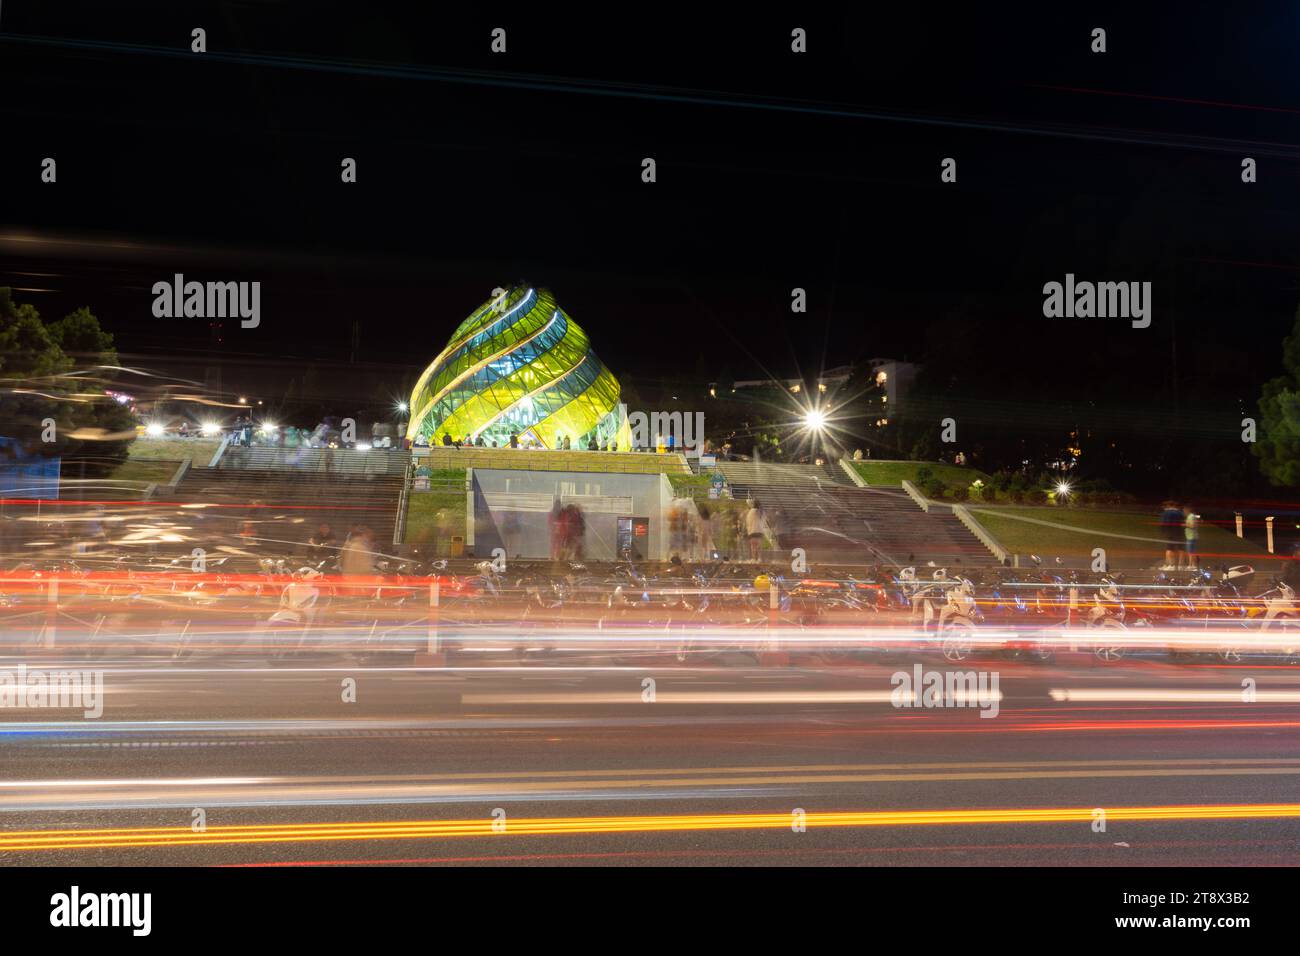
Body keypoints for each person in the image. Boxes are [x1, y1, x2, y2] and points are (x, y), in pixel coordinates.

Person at [1158, 501, 1183, 569]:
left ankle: (1170, 564)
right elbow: (1182, 520)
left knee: (1169, 549)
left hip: (1169, 532)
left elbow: (1163, 523)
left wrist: (1163, 531)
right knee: (1176, 549)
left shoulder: (1166, 513)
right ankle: (1176, 565)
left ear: (1168, 505)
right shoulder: (1179, 513)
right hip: (1178, 532)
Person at [1183, 505, 1200, 569]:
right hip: (1191, 536)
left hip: (1191, 536)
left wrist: (1185, 524)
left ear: (1187, 510)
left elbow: (1193, 526)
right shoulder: (1191, 516)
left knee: (1191, 551)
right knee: (1191, 551)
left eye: (1184, 510)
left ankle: (1192, 565)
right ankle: (1192, 565)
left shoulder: (1191, 516)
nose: (1183, 512)